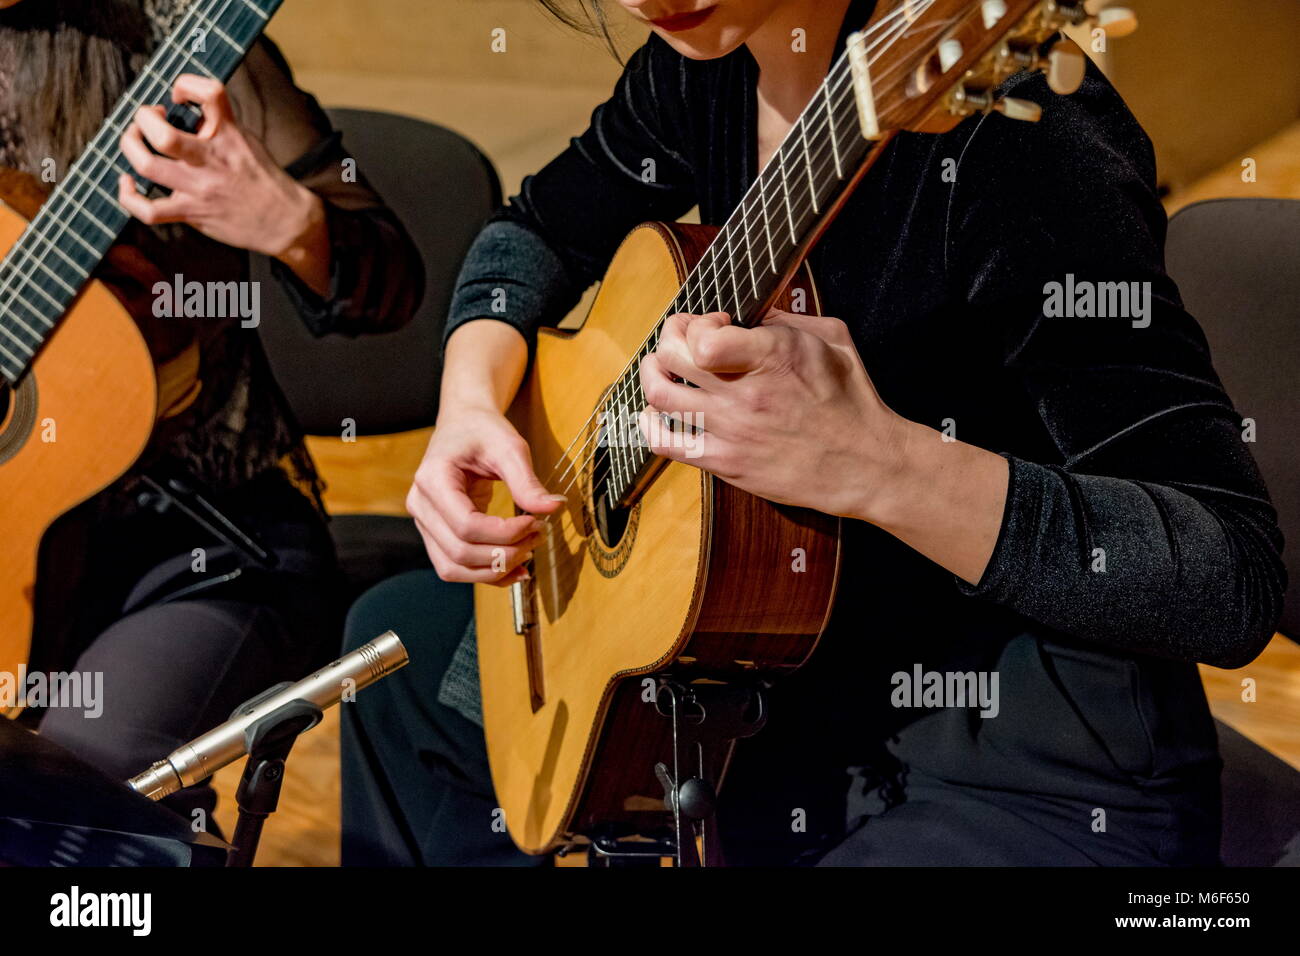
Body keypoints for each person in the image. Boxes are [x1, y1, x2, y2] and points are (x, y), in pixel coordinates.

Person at [341, 0, 1285, 866]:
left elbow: (1226, 575)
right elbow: (535, 232)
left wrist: (885, 468)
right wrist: (467, 401)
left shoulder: (1019, 138)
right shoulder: (701, 59)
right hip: (779, 686)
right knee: (394, 651)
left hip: (1020, 762)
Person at [0, 0, 424, 828]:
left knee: (66, 800)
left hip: (192, 540)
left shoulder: (176, 39)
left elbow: (394, 278)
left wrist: (295, 225)